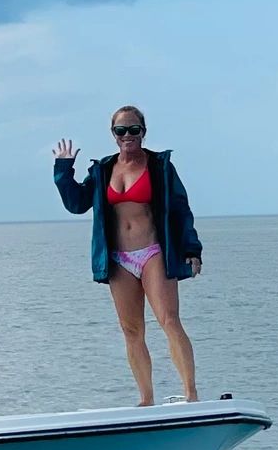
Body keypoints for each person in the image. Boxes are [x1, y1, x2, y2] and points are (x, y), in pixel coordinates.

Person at [53, 106, 203, 405]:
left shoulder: (159, 166)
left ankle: (191, 394)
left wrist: (191, 250)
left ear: (143, 131)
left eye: (133, 130)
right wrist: (63, 171)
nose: (127, 136)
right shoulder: (103, 169)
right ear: (113, 134)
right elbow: (77, 204)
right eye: (121, 131)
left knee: (169, 320)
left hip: (153, 253)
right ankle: (146, 399)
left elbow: (180, 209)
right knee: (131, 330)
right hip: (119, 258)